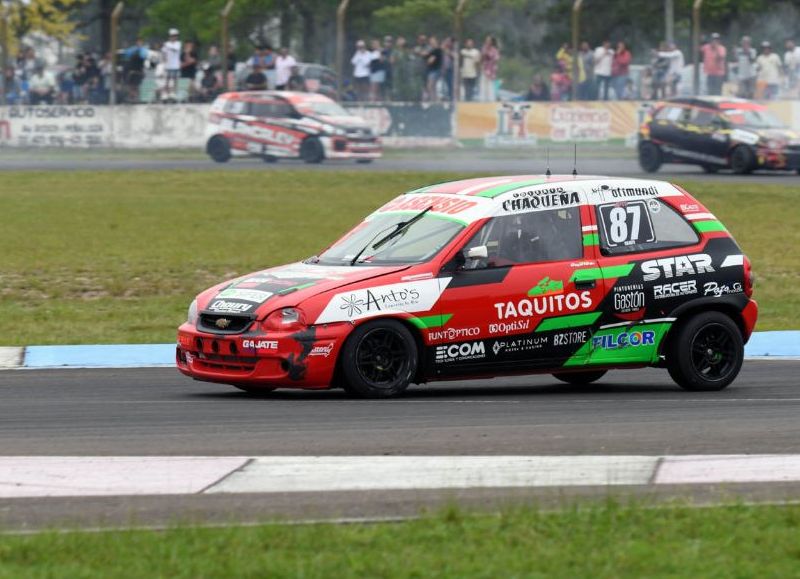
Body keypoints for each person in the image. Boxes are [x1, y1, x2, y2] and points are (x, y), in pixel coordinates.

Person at [123, 38, 148, 103]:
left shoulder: (144, 50)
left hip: (139, 70)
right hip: (131, 70)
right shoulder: (132, 49)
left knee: (137, 85)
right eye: (138, 42)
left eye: (140, 42)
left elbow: (143, 57)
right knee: (131, 85)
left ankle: (136, 97)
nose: (139, 43)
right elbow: (127, 54)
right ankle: (131, 96)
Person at [479, 35, 499, 102]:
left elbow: (496, 59)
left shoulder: (494, 49)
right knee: (483, 85)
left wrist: (490, 57)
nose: (487, 41)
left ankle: (491, 100)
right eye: (486, 40)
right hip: (484, 68)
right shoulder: (484, 48)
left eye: (489, 40)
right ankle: (482, 100)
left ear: (491, 42)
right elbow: (481, 58)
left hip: (491, 70)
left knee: (490, 85)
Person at [162, 28, 182, 94]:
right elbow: (164, 53)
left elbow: (176, 49)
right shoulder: (166, 44)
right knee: (167, 79)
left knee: (174, 80)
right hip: (168, 65)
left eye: (175, 36)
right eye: (172, 36)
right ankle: (166, 93)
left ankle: (174, 93)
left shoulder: (178, 43)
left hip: (175, 65)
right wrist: (164, 60)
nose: (174, 37)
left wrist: (168, 46)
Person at [425, 36, 443, 102]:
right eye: (430, 41)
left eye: (433, 41)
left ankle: (433, 100)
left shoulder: (437, 50)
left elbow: (430, 60)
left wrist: (427, 60)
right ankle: (434, 100)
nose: (431, 42)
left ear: (436, 41)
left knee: (430, 86)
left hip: (435, 70)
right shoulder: (432, 50)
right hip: (433, 70)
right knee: (433, 86)